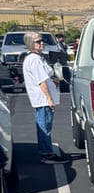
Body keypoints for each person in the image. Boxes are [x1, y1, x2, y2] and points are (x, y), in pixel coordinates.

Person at [22, 31, 71, 163]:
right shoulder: (34, 60)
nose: (41, 43)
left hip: (44, 98)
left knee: (45, 125)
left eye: (41, 40)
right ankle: (46, 153)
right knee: (44, 126)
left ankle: (46, 151)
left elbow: (46, 76)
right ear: (30, 44)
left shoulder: (38, 58)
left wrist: (53, 80)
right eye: (38, 41)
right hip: (42, 99)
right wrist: (49, 99)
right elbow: (41, 81)